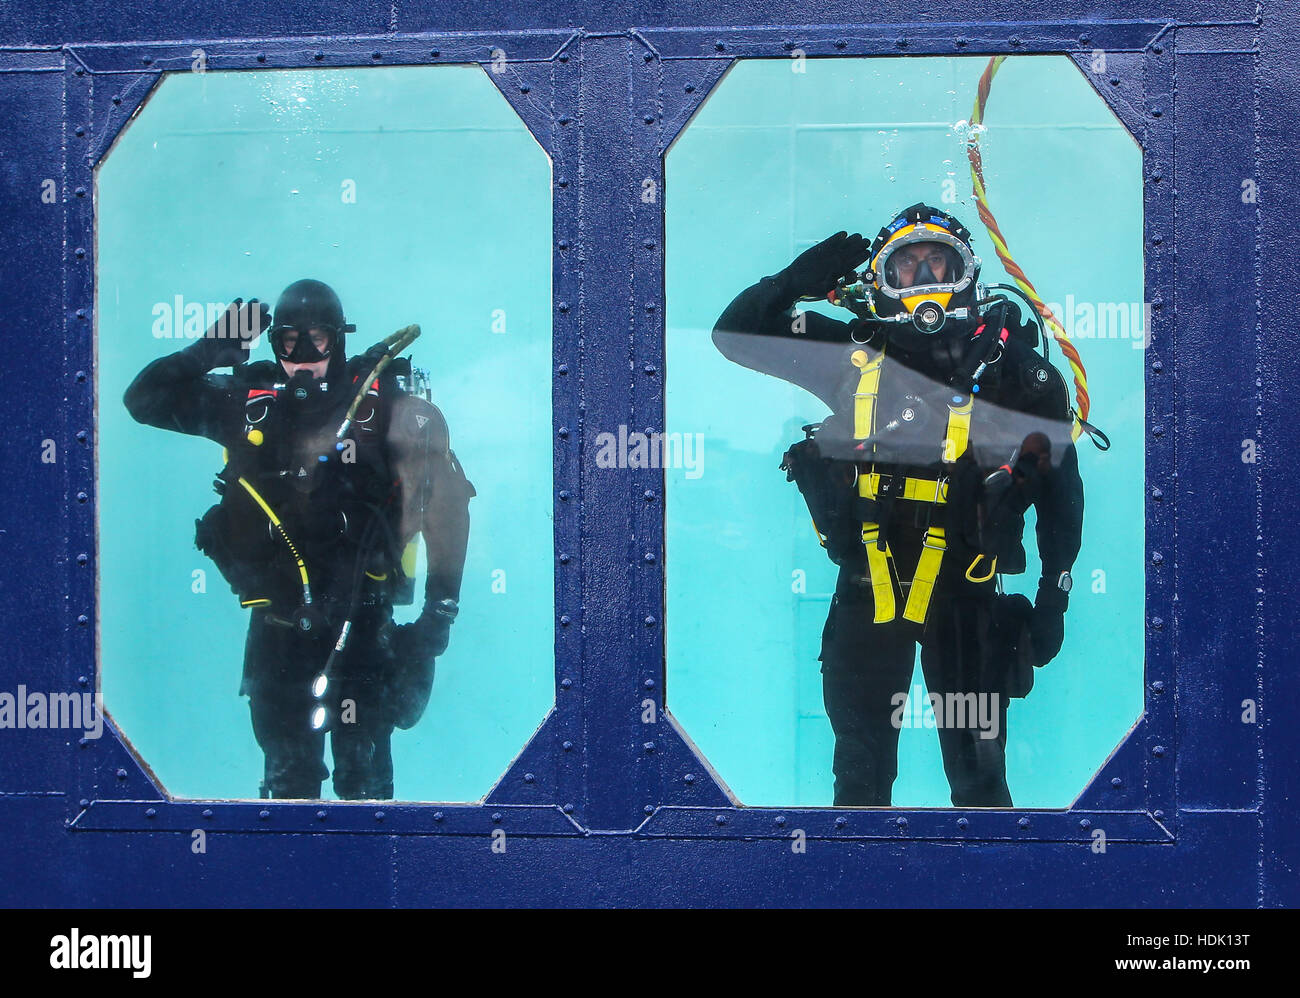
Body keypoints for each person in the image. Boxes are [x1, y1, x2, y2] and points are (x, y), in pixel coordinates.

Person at [712, 204, 1084, 807]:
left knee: (981, 781)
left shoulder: (1018, 370)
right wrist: (795, 281)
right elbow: (733, 335)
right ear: (879, 282)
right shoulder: (850, 354)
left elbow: (1061, 494)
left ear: (968, 275)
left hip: (967, 601)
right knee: (859, 781)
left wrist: (1054, 599)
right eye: (905, 268)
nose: (924, 280)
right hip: (867, 596)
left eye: (940, 262)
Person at [124, 279, 474, 800]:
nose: (303, 356)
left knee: (367, 789)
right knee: (288, 790)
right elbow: (144, 400)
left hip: (365, 628)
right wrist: (208, 351)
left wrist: (438, 615)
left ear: (340, 340)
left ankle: (371, 878)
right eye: (288, 342)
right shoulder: (250, 407)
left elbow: (448, 509)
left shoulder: (392, 414)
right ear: (272, 345)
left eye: (318, 341)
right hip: (279, 632)